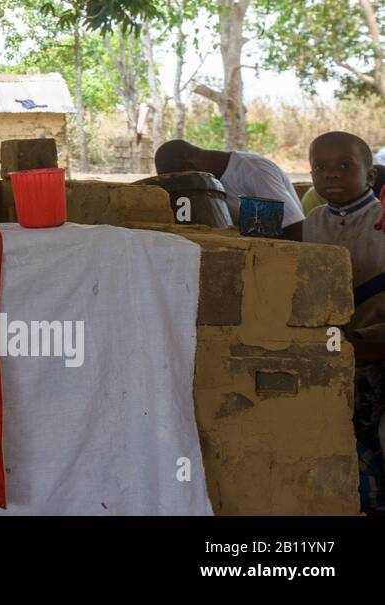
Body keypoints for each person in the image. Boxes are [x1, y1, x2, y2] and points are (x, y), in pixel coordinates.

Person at [300, 131, 385, 513]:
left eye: (344, 166)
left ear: (370, 175)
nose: (330, 174)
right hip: (333, 347)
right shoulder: (314, 222)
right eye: (320, 166)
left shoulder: (382, 219)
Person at [154, 139, 304, 239]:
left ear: (189, 168)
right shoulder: (210, 185)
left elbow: (294, 228)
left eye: (180, 180)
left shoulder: (252, 171)